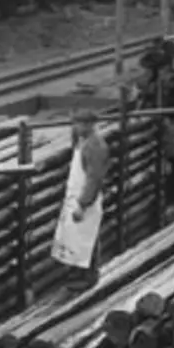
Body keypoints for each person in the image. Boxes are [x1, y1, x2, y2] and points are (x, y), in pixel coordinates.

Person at [51, 109, 110, 291]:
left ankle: (88, 277)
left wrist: (83, 204)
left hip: (85, 201)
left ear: (90, 125)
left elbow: (94, 178)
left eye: (81, 124)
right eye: (76, 123)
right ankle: (79, 273)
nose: (77, 127)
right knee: (76, 239)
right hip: (76, 197)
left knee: (87, 239)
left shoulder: (95, 146)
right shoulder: (83, 143)